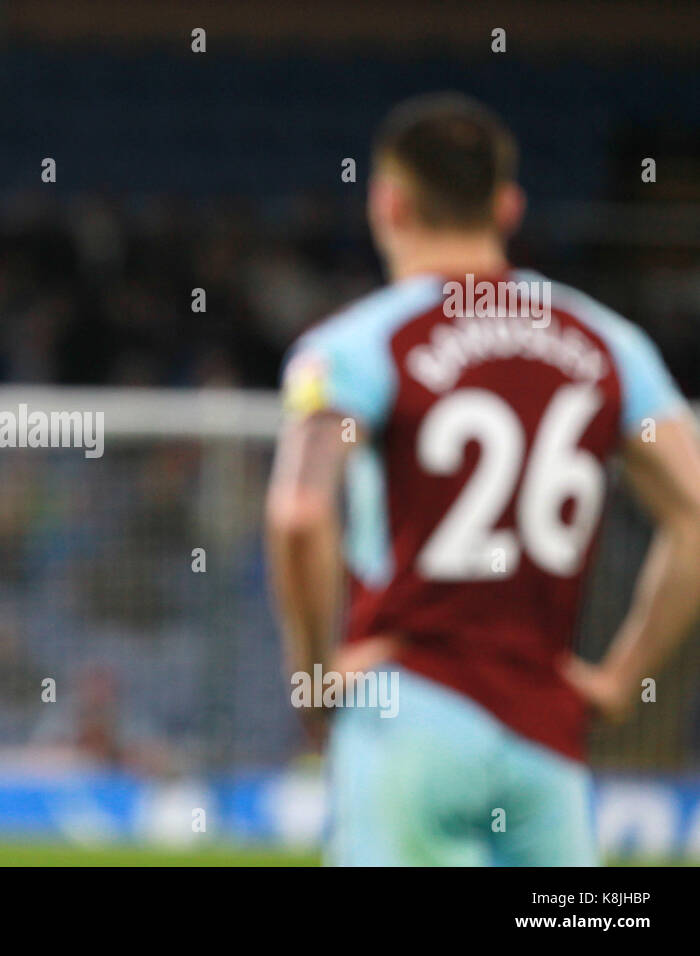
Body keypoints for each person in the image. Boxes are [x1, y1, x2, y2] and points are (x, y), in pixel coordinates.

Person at [265, 93, 700, 865]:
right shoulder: (607, 341)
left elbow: (300, 509)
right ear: (507, 206)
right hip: (546, 731)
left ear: (387, 203)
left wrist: (313, 675)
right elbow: (695, 510)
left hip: (408, 710)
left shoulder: (358, 344)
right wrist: (624, 677)